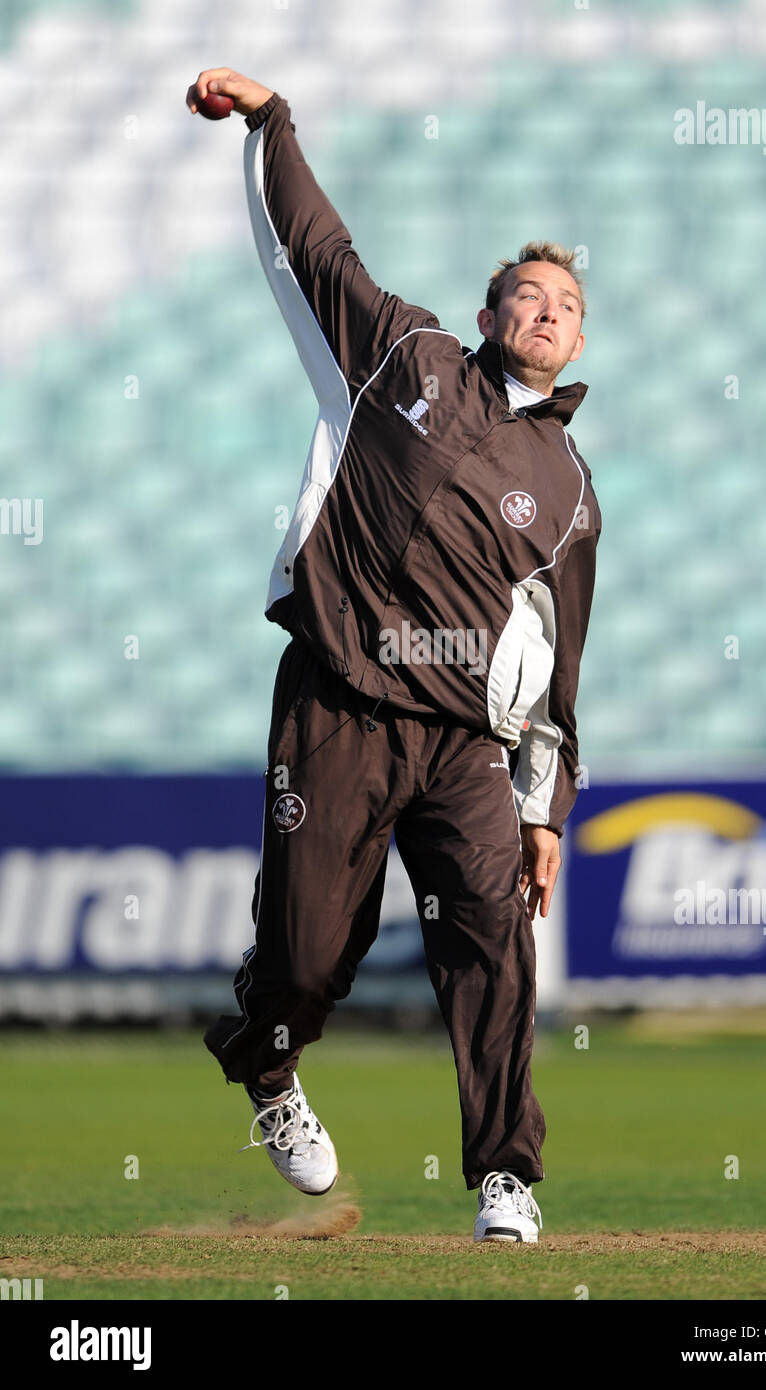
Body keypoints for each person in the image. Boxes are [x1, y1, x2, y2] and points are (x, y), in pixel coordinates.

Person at [187, 68, 601, 1244]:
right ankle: (270, 1071)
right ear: (485, 316)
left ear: (578, 337)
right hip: (336, 704)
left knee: (489, 943)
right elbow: (317, 248)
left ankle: (504, 1179)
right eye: (525, 294)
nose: (545, 310)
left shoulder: (570, 495)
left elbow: (561, 675)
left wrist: (547, 807)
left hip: (465, 745)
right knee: (309, 954)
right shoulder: (402, 356)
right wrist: (272, 122)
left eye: (564, 302)